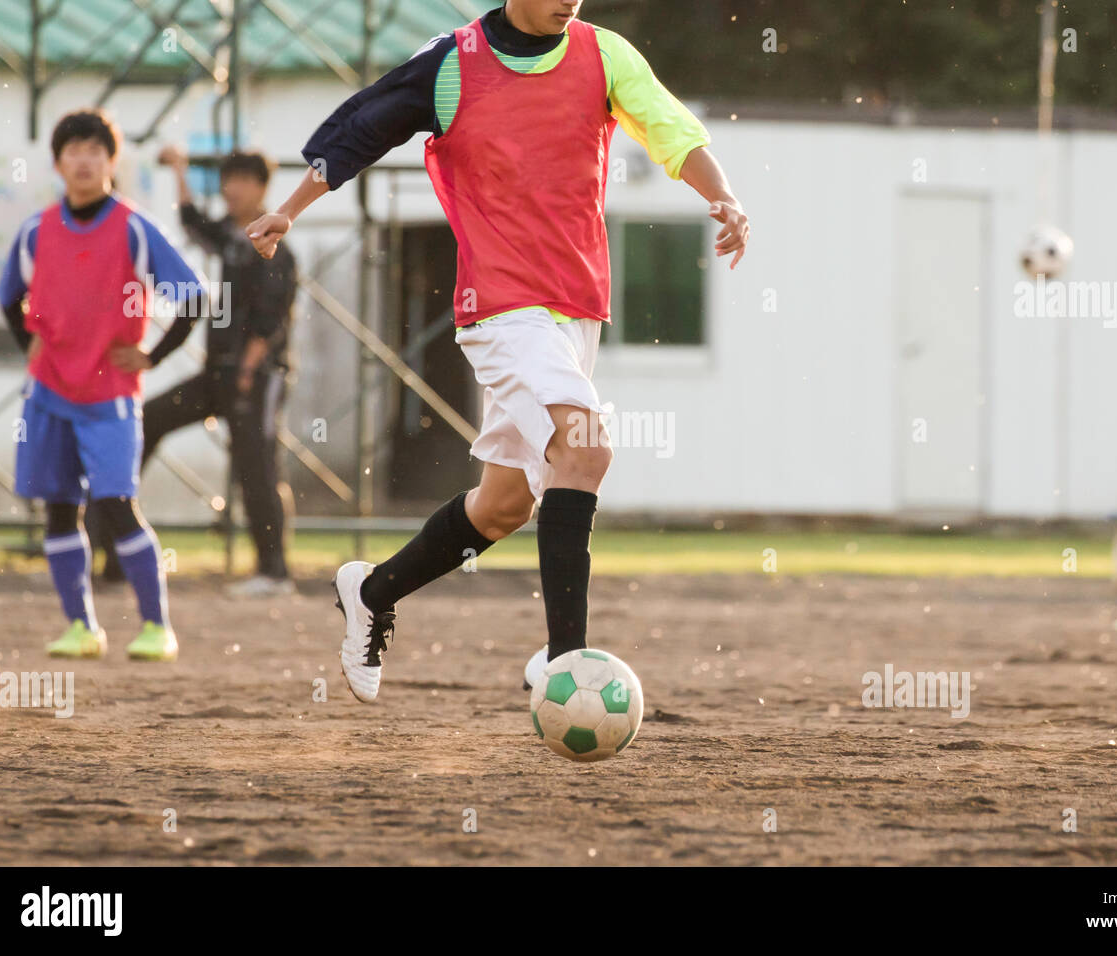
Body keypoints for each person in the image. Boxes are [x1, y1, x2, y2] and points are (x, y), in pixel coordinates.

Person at [247, 0, 750, 702]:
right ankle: (565, 664)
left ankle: (372, 590)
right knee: (586, 447)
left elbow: (670, 129)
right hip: (502, 310)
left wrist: (721, 196)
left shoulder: (604, 55)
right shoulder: (453, 62)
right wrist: (290, 208)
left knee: (503, 506)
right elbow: (366, 125)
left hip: (576, 311)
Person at [0, 108, 208, 661]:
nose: (85, 160)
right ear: (58, 163)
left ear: (111, 161)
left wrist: (150, 358)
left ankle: (156, 627)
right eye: (74, 151)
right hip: (47, 395)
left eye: (96, 150)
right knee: (59, 507)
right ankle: (81, 627)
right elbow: (6, 297)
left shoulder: (134, 227)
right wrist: (30, 346)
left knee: (116, 503)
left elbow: (192, 298)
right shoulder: (36, 230)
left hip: (110, 397)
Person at [95, 147, 299, 597]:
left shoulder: (275, 248)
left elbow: (271, 318)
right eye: (228, 179)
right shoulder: (230, 236)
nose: (232, 188)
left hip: (257, 376)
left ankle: (274, 572)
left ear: (262, 187)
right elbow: (193, 222)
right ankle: (110, 553)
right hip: (217, 374)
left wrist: (247, 371)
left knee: (257, 468)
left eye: (243, 180)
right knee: (146, 421)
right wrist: (181, 172)